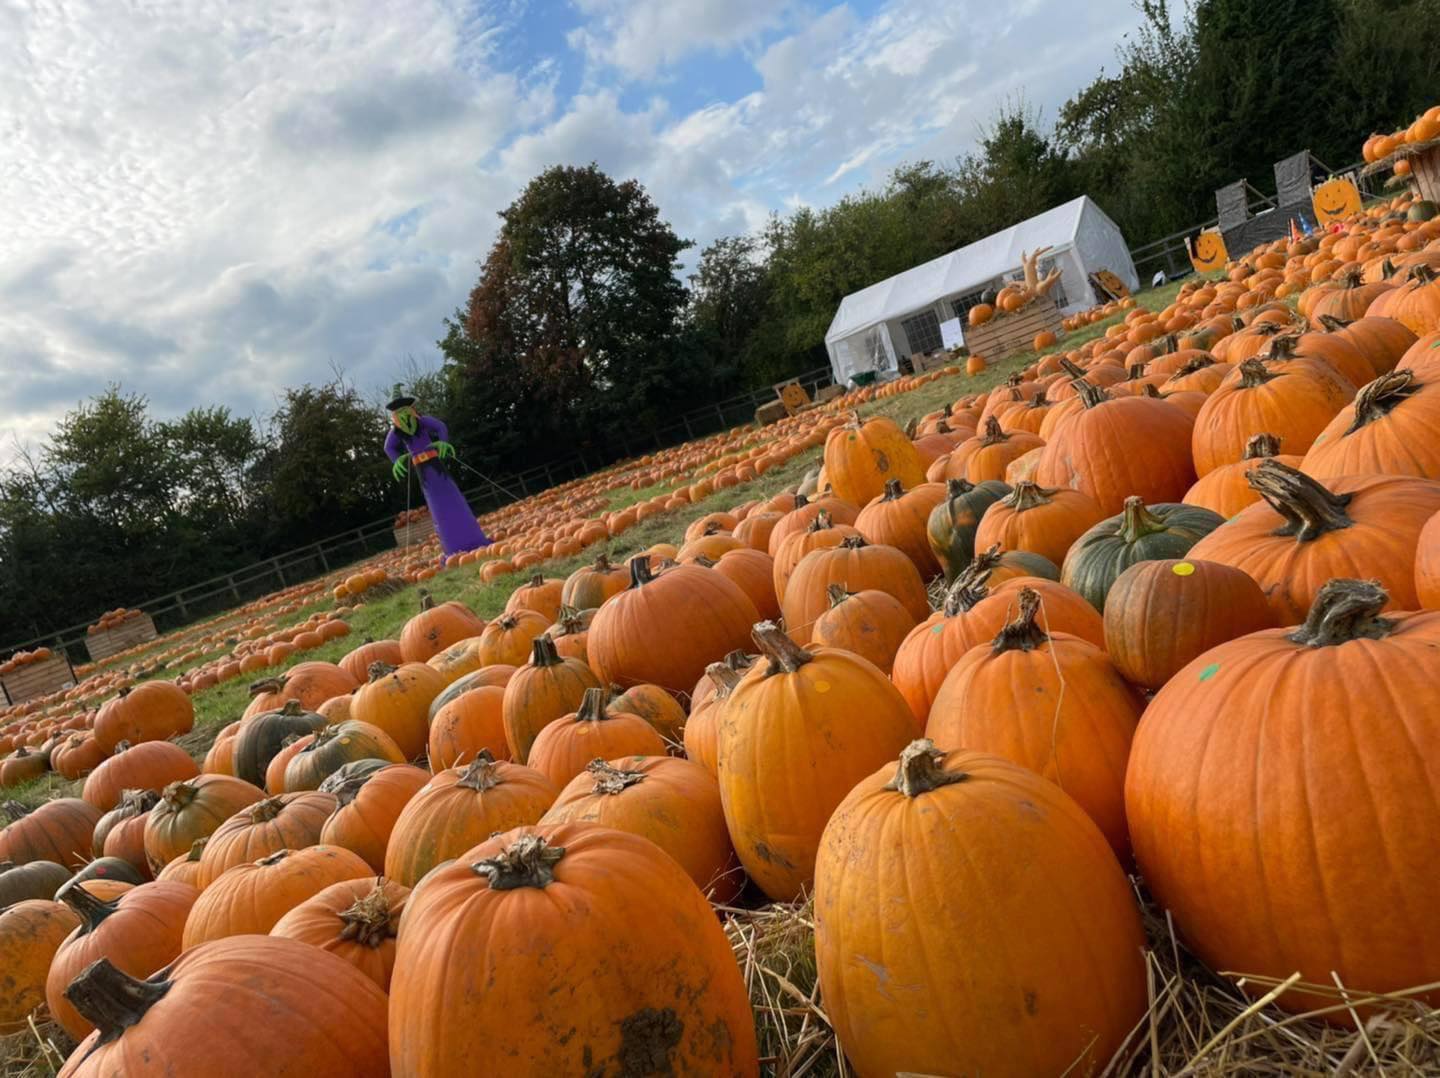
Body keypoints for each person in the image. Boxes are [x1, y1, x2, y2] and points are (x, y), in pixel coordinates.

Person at [384, 391, 490, 555]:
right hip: (421, 469)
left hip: (435, 463)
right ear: (394, 416)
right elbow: (388, 447)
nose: (403, 415)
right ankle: (453, 546)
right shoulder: (397, 432)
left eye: (405, 410)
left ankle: (472, 538)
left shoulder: (422, 421)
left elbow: (440, 426)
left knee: (451, 496)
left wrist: (442, 442)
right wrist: (398, 460)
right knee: (436, 504)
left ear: (411, 409)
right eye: (398, 412)